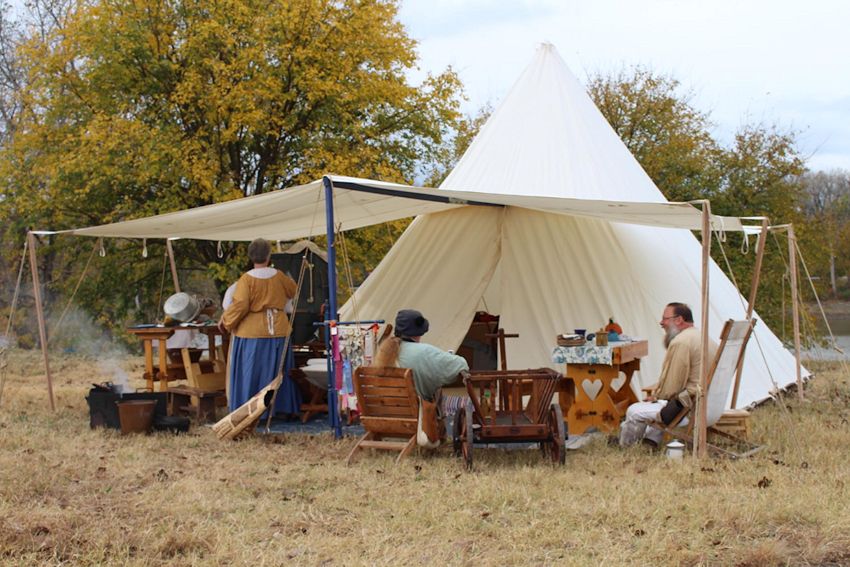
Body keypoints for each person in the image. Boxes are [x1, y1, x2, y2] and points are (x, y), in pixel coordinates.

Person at [618, 302, 717, 447]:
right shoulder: (702, 336)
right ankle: (650, 441)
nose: (661, 323)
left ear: (679, 320)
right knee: (662, 402)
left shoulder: (681, 342)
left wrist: (657, 396)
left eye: (665, 319)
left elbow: (673, 385)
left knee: (633, 410)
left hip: (688, 408)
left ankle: (627, 445)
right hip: (706, 404)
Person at [219, 238, 299, 413]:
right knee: (278, 372)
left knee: (252, 374)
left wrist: (227, 321)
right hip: (278, 330)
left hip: (252, 333)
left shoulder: (246, 280)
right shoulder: (279, 276)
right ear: (269, 255)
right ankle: (281, 409)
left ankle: (251, 411)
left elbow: (240, 305)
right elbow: (293, 291)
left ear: (250, 256)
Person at [374, 309, 469, 402]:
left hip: (387, 408)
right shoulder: (425, 351)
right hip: (417, 413)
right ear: (420, 331)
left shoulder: (383, 352)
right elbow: (459, 363)